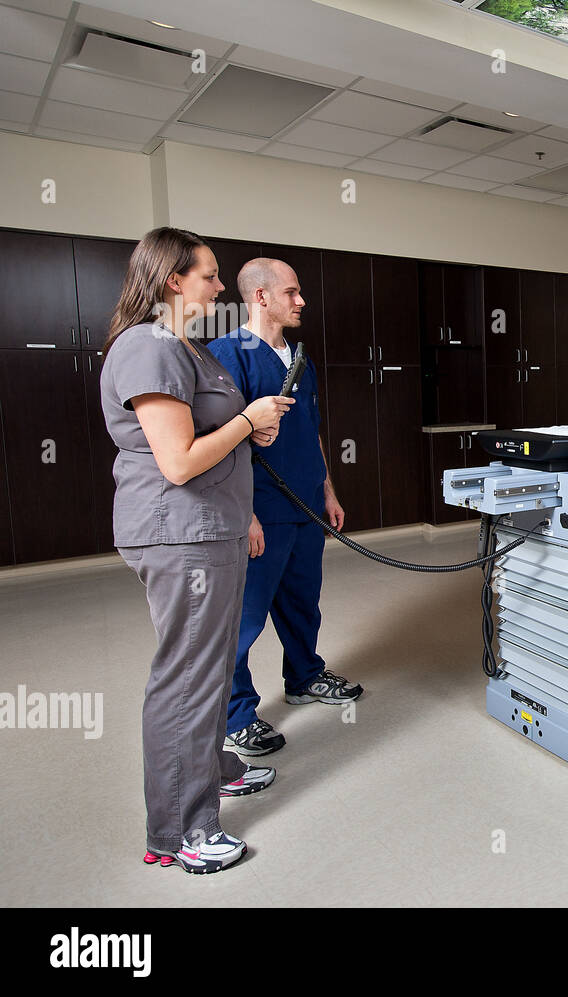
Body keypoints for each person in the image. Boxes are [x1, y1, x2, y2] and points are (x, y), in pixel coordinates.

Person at [100, 227, 292, 874]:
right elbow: (178, 462)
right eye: (209, 275)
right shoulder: (147, 346)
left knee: (207, 668)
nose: (219, 286)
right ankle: (182, 827)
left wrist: (253, 430)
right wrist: (247, 420)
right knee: (187, 676)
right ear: (173, 280)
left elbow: (217, 433)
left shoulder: (190, 348)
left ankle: (212, 769)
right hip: (181, 532)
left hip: (214, 527)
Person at [208, 259, 360, 758]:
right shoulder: (225, 356)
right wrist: (243, 513)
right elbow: (221, 443)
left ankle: (305, 676)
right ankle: (235, 717)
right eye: (292, 293)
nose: (301, 301)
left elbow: (310, 430)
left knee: (301, 601)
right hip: (260, 509)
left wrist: (328, 491)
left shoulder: (300, 358)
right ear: (261, 297)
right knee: (243, 618)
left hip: (305, 502)